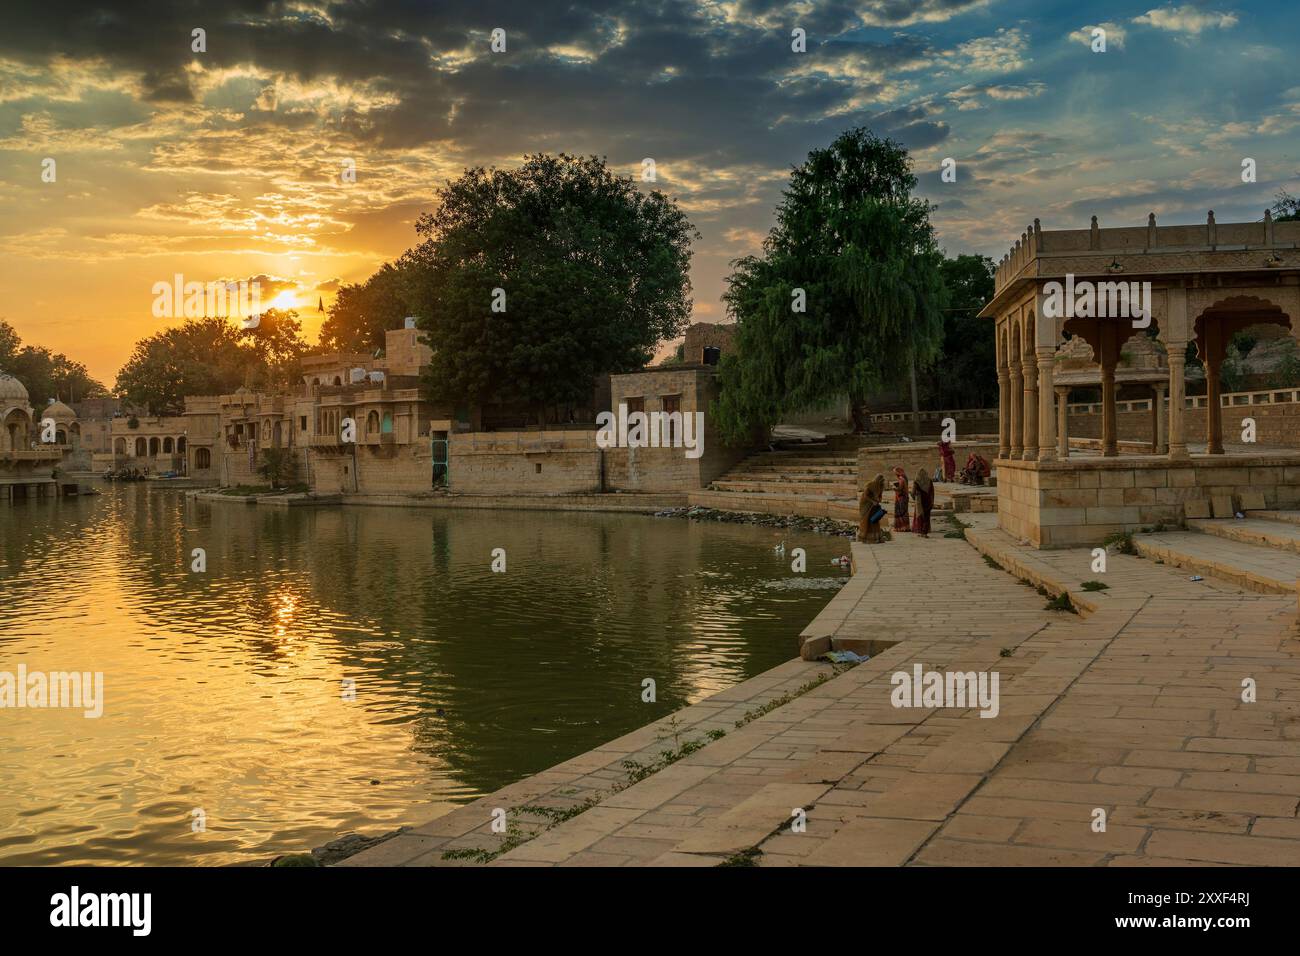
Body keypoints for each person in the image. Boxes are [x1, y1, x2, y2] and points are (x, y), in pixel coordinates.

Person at [857, 473, 887, 543]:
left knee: (875, 519)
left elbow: (880, 495)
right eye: (880, 481)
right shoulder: (870, 485)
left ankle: (877, 538)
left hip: (874, 504)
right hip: (866, 504)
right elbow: (865, 496)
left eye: (882, 482)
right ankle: (867, 538)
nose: (881, 483)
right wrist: (873, 501)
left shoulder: (881, 486)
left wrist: (879, 499)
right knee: (867, 520)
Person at [912, 470, 934, 537]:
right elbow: (932, 492)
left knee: (921, 516)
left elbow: (913, 493)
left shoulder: (916, 482)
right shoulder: (929, 481)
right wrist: (932, 501)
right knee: (927, 517)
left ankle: (921, 531)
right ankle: (925, 532)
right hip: (928, 501)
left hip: (920, 502)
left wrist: (913, 497)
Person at [892, 466, 910, 532]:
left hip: (901, 498)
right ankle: (905, 527)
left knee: (901, 512)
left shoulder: (902, 479)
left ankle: (901, 527)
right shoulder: (904, 478)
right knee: (904, 512)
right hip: (903, 497)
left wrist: (894, 488)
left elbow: (900, 488)